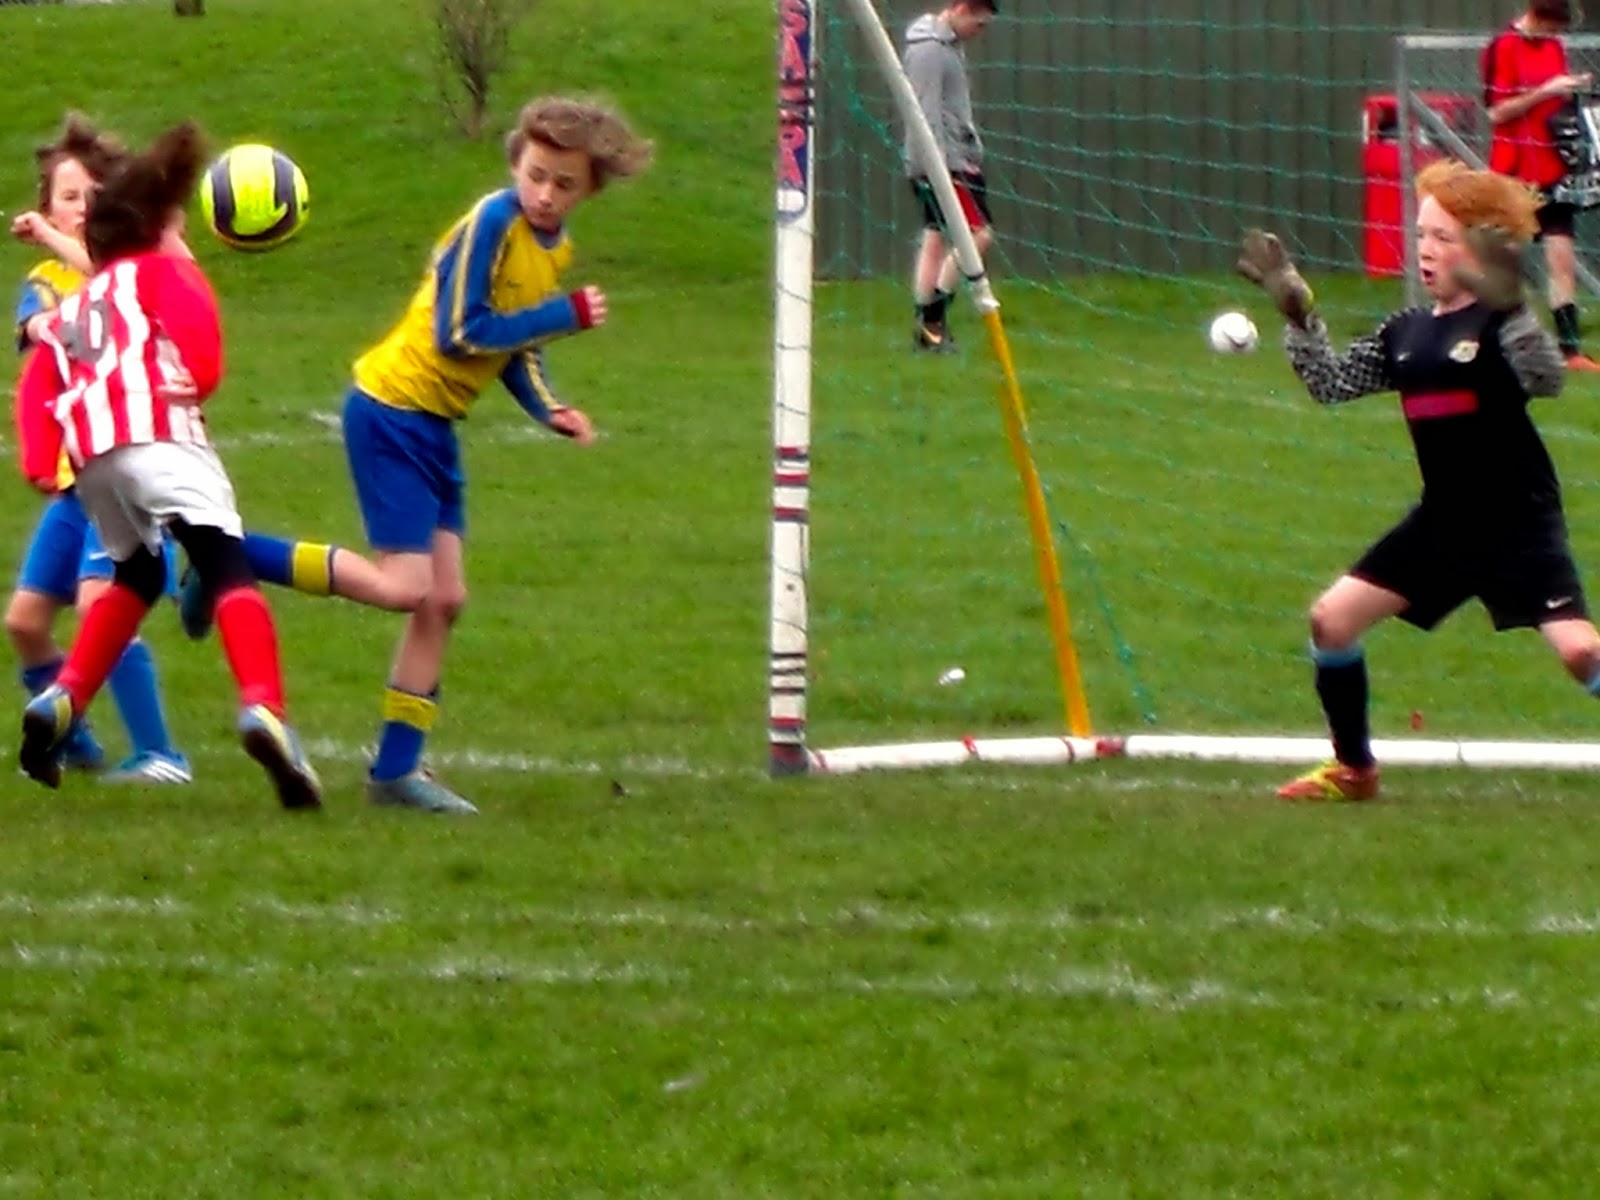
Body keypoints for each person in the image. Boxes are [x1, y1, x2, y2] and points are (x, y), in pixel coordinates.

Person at [179, 96, 652, 815]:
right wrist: (568, 314)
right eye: (537, 174)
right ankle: (226, 557)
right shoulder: (494, 221)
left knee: (445, 600)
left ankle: (395, 775)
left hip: (435, 426)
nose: (546, 193)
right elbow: (463, 332)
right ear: (516, 163)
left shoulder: (554, 249)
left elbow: (513, 350)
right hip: (393, 411)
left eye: (565, 184)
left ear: (590, 190)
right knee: (406, 588)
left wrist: (548, 406)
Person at [1238, 159, 1600, 801]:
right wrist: (1298, 318)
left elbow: (1547, 379)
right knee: (1331, 620)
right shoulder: (1405, 333)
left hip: (1518, 525)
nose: (1426, 251)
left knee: (1580, 655)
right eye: (1422, 234)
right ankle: (1355, 771)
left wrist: (1512, 309)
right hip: (1443, 525)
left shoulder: (1497, 324)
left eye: (1443, 238)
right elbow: (1331, 384)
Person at [13, 121, 320, 810]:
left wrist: (40, 458)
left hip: (92, 460)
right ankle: (264, 708)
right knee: (223, 564)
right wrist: (201, 379)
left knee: (137, 573)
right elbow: (198, 323)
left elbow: (38, 383)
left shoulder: (80, 298)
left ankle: (64, 698)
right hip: (161, 436)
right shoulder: (160, 270)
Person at [9, 114, 191, 784]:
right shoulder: (46, 280)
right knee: (26, 622)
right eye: (67, 196)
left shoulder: (130, 273)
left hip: (127, 471)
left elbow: (108, 292)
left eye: (93, 196)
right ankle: (73, 741)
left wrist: (65, 238)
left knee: (98, 606)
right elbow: (41, 328)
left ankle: (162, 755)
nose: (81, 207)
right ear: (43, 206)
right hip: (73, 481)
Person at [1482, 0, 1600, 370]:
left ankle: (1570, 350)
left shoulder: (1554, 47)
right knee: (1506, 261)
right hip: (1514, 170)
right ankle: (1496, 342)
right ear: (1538, 16)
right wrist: (1546, 91)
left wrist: (1572, 90)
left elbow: (1555, 103)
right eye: (1553, 27)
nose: (1556, 35)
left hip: (1554, 167)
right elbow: (1496, 112)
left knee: (1561, 259)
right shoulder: (1503, 46)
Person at [902, 0, 997, 353]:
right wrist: (938, 167)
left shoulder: (948, 46)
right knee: (979, 234)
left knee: (935, 238)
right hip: (945, 166)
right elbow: (925, 112)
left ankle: (926, 331)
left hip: (953, 159)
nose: (980, 31)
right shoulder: (930, 50)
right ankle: (932, 321)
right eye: (979, 22)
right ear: (960, 8)